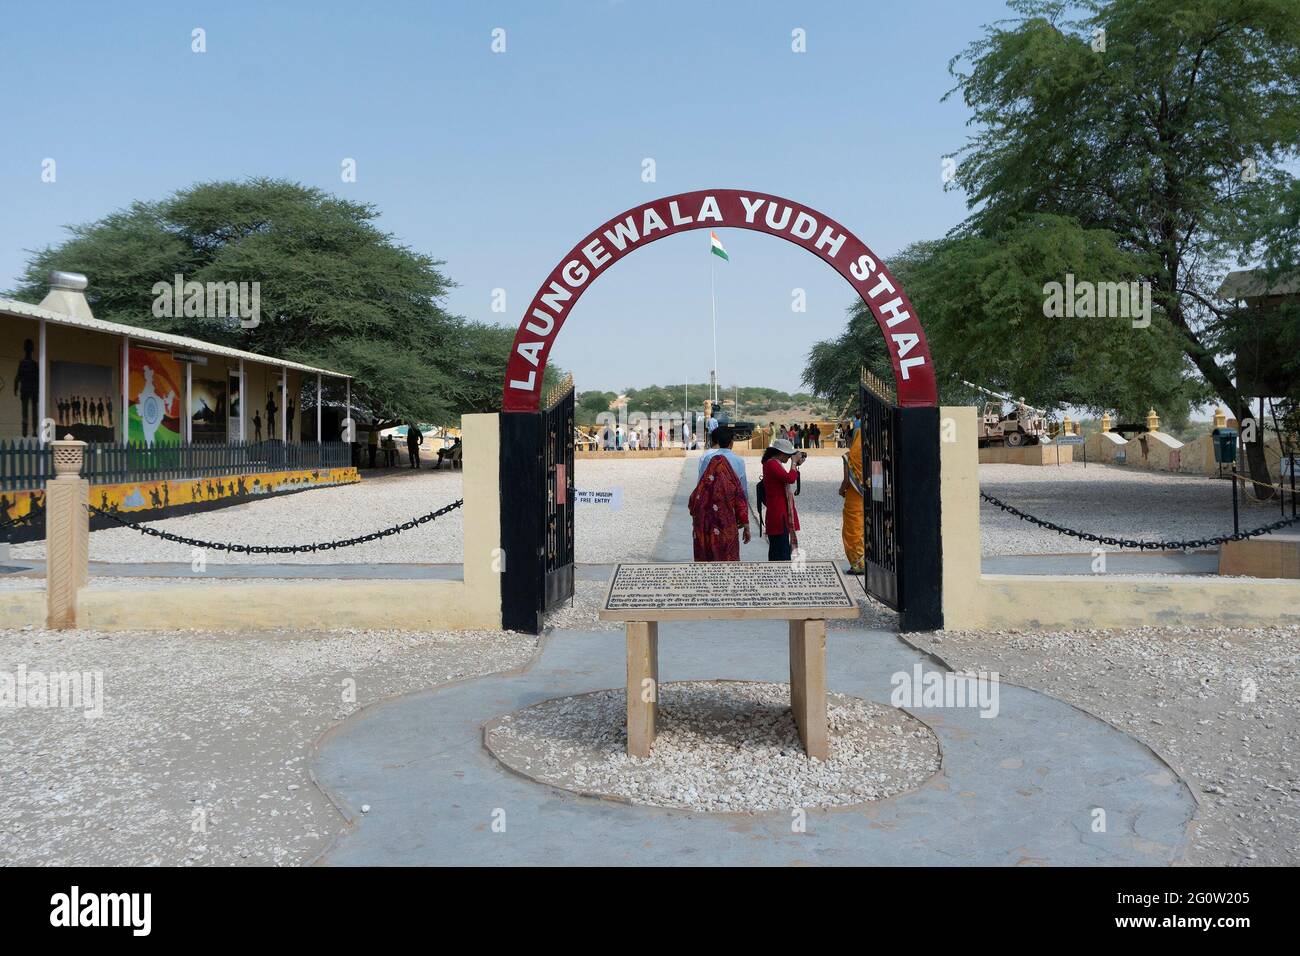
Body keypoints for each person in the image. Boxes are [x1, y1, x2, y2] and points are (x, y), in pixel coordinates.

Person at [689, 430, 750, 561]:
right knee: (727, 550)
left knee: (709, 550)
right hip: (728, 514)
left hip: (707, 515)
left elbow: (701, 486)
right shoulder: (739, 461)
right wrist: (744, 519)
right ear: (731, 443)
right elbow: (742, 492)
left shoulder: (708, 459)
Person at [761, 438, 805, 561]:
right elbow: (790, 478)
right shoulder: (772, 464)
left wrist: (796, 465)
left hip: (779, 512)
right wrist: (794, 463)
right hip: (778, 514)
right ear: (781, 453)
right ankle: (779, 577)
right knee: (780, 552)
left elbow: (788, 477)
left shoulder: (773, 463)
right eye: (788, 455)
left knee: (780, 549)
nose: (789, 458)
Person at [839, 422, 866, 573]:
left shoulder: (849, 457)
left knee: (852, 529)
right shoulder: (869, 456)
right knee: (864, 527)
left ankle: (858, 564)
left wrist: (841, 490)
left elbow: (847, 481)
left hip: (853, 499)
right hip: (866, 498)